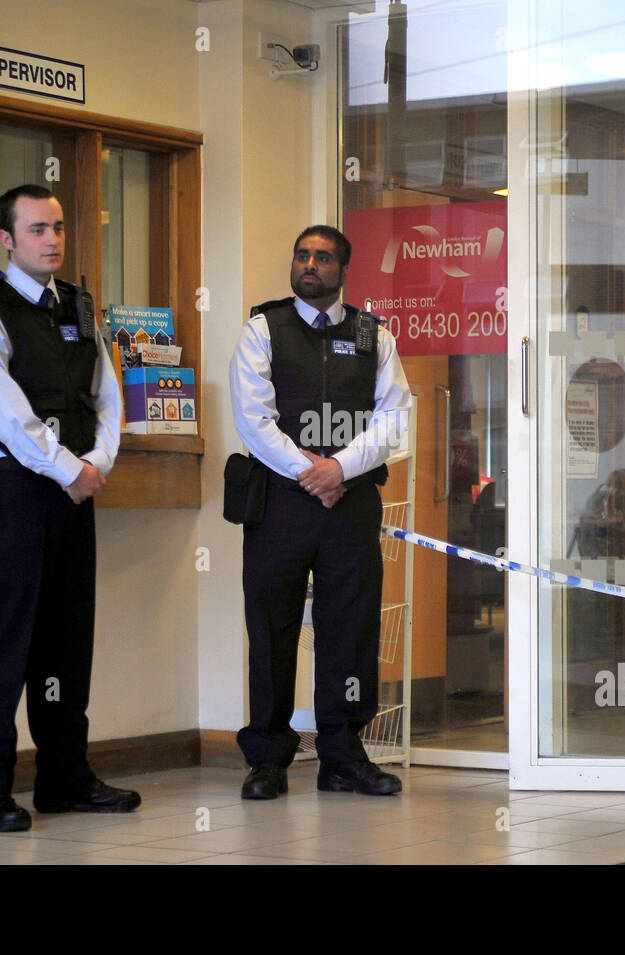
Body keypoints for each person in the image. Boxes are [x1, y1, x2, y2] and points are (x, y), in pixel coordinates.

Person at [0, 184, 139, 832]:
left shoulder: (78, 305)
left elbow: (106, 394)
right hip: (15, 490)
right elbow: (3, 409)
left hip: (75, 488)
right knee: (7, 637)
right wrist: (67, 467)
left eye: (57, 226)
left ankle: (63, 775)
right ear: (7, 238)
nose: (51, 239)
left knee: (66, 636)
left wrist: (97, 465)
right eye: (36, 229)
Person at [229, 225, 412, 799]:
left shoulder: (372, 336)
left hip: (350, 505)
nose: (310, 264)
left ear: (342, 270)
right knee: (272, 631)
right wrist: (311, 473)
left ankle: (343, 755)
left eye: (323, 257)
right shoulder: (263, 329)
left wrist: (340, 470)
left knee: (350, 633)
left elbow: (395, 418)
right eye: (303, 255)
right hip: (279, 507)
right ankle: (268, 758)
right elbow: (253, 420)